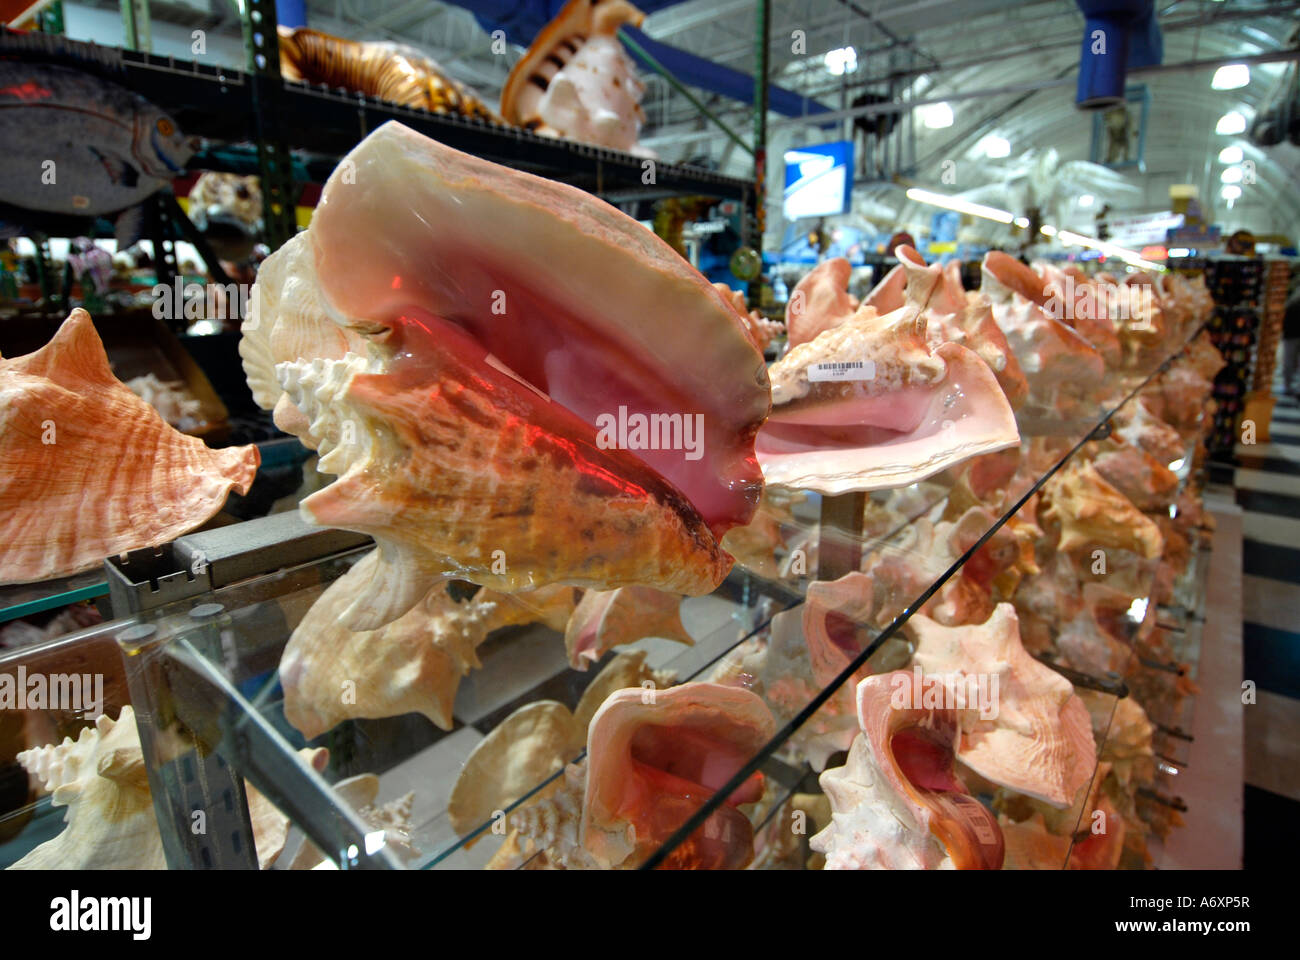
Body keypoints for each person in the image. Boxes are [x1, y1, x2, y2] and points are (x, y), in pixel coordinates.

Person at [1284, 279, 1300, 397]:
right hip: (1291, 335)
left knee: (1289, 361)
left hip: (1290, 336)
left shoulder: (1291, 303)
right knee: (1290, 361)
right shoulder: (1292, 304)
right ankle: (1291, 385)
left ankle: (1288, 385)